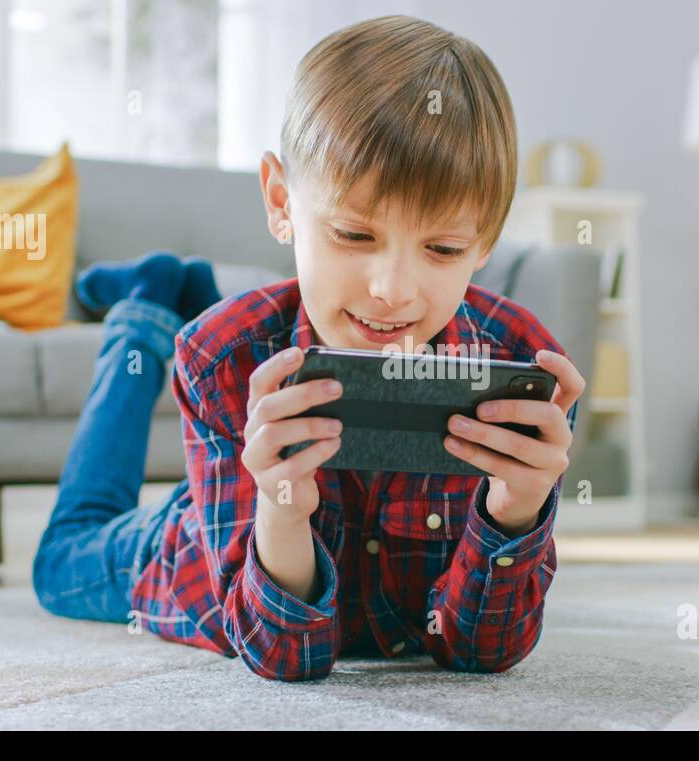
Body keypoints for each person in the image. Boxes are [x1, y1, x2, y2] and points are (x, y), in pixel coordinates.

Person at [33, 15, 586, 682]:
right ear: (280, 201)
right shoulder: (222, 357)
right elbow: (280, 654)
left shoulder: (523, 375)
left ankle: (178, 292)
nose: (392, 290)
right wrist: (281, 511)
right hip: (202, 549)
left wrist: (515, 513)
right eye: (354, 235)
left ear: (486, 241)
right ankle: (142, 310)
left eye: (443, 249)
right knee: (60, 561)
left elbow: (479, 652)